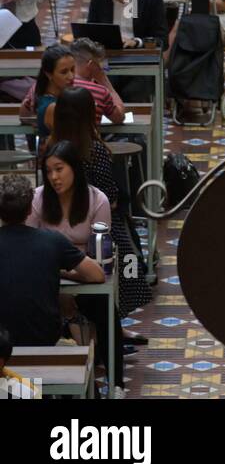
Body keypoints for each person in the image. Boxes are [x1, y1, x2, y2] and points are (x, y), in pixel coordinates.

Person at [47, 89, 152, 323]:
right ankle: (115, 323)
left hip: (57, 226)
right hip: (98, 230)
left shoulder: (49, 148)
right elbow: (110, 195)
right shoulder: (94, 151)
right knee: (129, 260)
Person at [27, 142, 123, 391]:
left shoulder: (96, 200)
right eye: (48, 171)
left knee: (105, 311)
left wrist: (71, 275)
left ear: (75, 168)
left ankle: (116, 382)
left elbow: (98, 257)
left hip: (85, 273)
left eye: (59, 169)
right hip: (48, 278)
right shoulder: (38, 198)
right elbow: (28, 244)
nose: (54, 177)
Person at [0, 173, 104, 352]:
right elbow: (97, 274)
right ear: (30, 209)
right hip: (43, 338)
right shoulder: (52, 241)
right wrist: (60, 270)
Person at [31, 43, 76, 141]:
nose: (71, 77)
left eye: (73, 70)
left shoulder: (59, 98)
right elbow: (69, 143)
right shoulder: (53, 107)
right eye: (64, 72)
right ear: (49, 74)